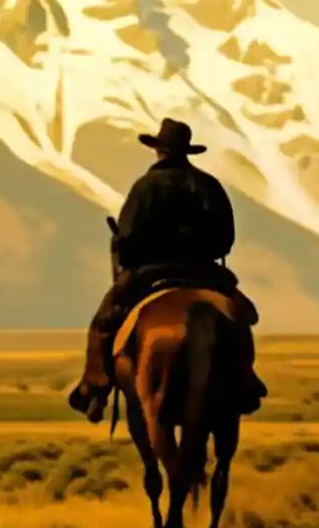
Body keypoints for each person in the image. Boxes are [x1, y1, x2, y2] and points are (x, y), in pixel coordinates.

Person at [68, 117, 267, 423]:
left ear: (159, 151)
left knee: (104, 320)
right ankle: (244, 380)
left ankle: (95, 387)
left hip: (151, 270)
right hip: (204, 271)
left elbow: (129, 235)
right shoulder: (207, 185)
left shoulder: (145, 186)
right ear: (186, 151)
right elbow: (225, 237)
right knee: (242, 315)